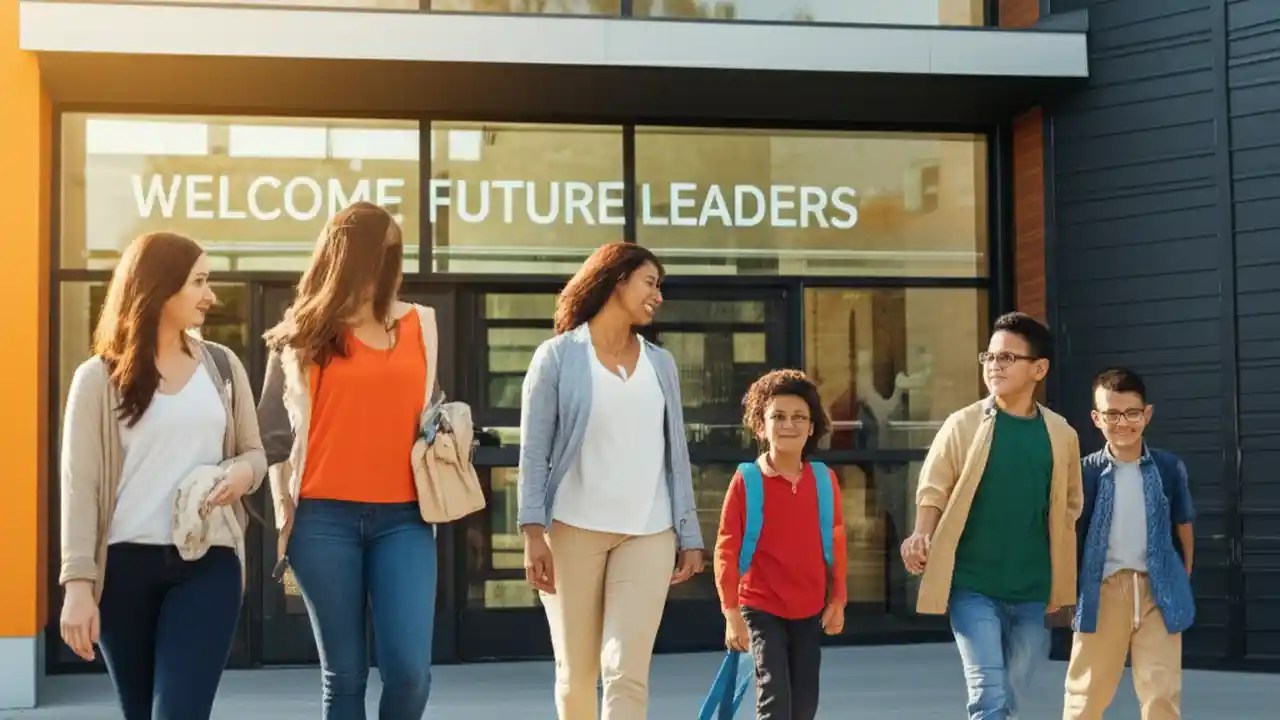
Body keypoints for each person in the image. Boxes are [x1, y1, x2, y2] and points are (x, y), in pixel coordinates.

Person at [58, 232, 266, 720]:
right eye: (199, 282)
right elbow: (79, 487)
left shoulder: (222, 367)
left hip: (208, 564)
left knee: (178, 712)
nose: (210, 295)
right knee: (140, 712)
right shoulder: (97, 378)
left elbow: (255, 452)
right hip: (124, 569)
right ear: (160, 287)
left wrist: (241, 471)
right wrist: (78, 586)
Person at [257, 202, 436, 720]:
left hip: (405, 518)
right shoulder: (303, 333)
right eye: (386, 251)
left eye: (396, 252)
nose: (394, 262)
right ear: (353, 256)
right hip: (323, 520)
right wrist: (271, 503)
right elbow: (273, 435)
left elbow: (426, 410)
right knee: (345, 677)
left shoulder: (423, 324)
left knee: (409, 673)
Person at [518, 241, 706, 720]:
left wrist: (689, 534)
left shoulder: (660, 363)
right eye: (650, 282)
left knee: (626, 671)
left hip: (648, 532)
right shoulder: (557, 357)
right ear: (617, 281)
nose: (657, 296)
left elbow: (675, 455)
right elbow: (534, 452)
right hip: (572, 532)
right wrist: (532, 532)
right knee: (577, 676)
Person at [900, 311, 1083, 720]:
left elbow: (1070, 506)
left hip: (1033, 589)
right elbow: (934, 487)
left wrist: (1065, 579)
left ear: (1039, 368)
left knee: (1014, 683)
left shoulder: (1061, 434)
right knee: (987, 689)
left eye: (1007, 358)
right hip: (973, 584)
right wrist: (920, 535)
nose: (994, 366)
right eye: (990, 356)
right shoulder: (962, 424)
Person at [1063, 367, 1195, 720]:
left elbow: (1183, 524)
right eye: (1112, 414)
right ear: (1096, 417)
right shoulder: (1085, 473)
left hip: (1157, 591)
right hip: (1103, 592)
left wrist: (1181, 576)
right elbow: (1068, 534)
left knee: (1161, 695)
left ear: (1146, 414)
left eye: (1132, 413)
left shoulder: (1168, 467)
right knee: (1086, 696)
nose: (1123, 423)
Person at [715, 369, 847, 720]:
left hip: (809, 607)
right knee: (775, 699)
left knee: (804, 704)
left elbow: (835, 543)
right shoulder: (747, 480)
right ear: (760, 426)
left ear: (812, 427)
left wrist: (838, 599)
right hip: (761, 606)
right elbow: (726, 548)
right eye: (778, 416)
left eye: (799, 417)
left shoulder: (824, 480)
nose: (789, 424)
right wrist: (731, 613)